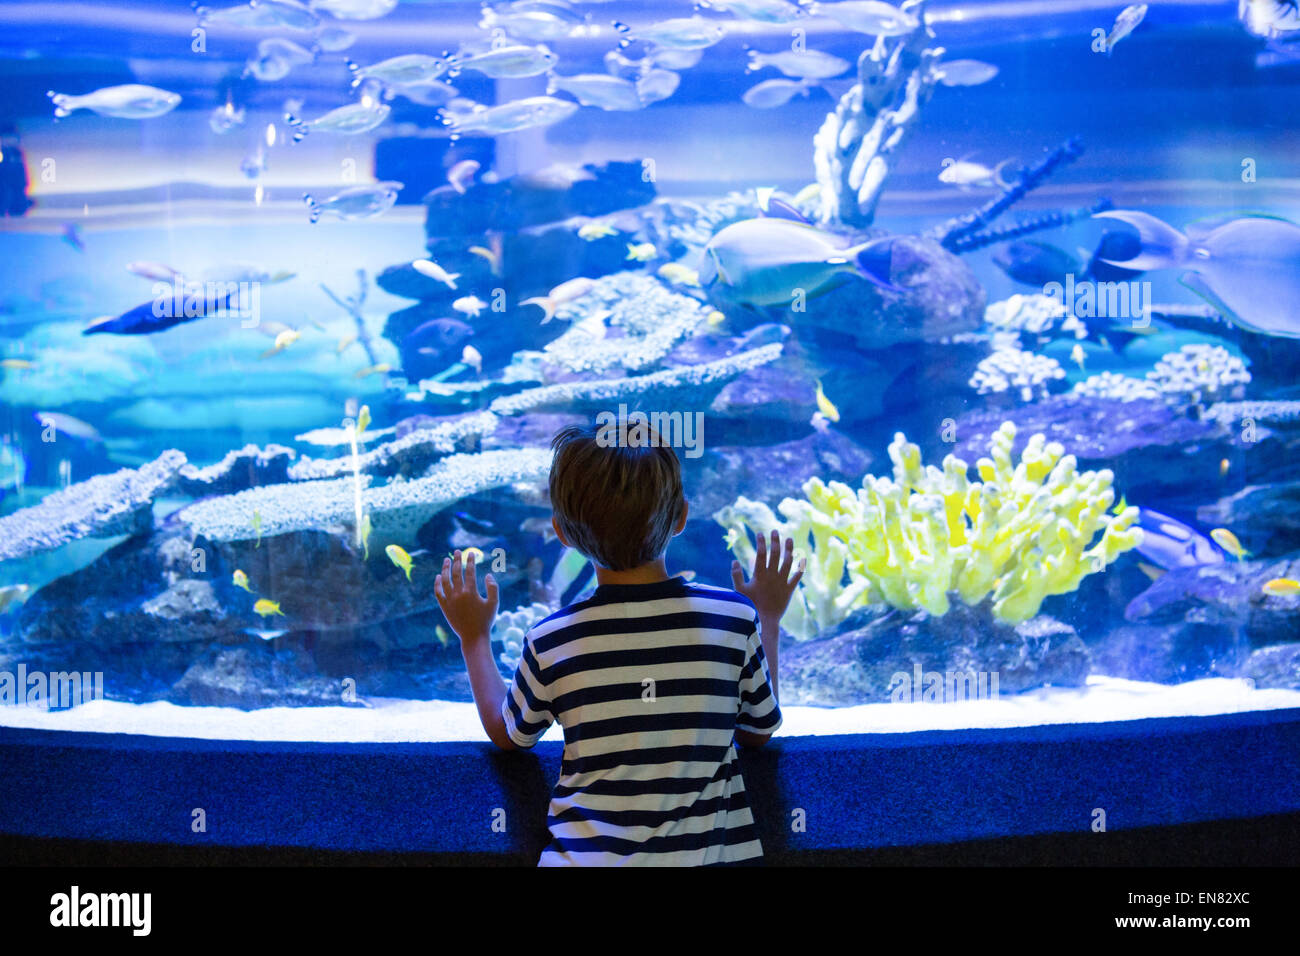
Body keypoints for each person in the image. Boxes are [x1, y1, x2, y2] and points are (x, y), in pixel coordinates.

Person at [434, 421, 804, 866]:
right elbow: (758, 730)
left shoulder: (552, 639)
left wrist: (474, 637)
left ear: (563, 534)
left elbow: (509, 734)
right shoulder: (733, 620)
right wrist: (768, 616)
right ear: (682, 517)